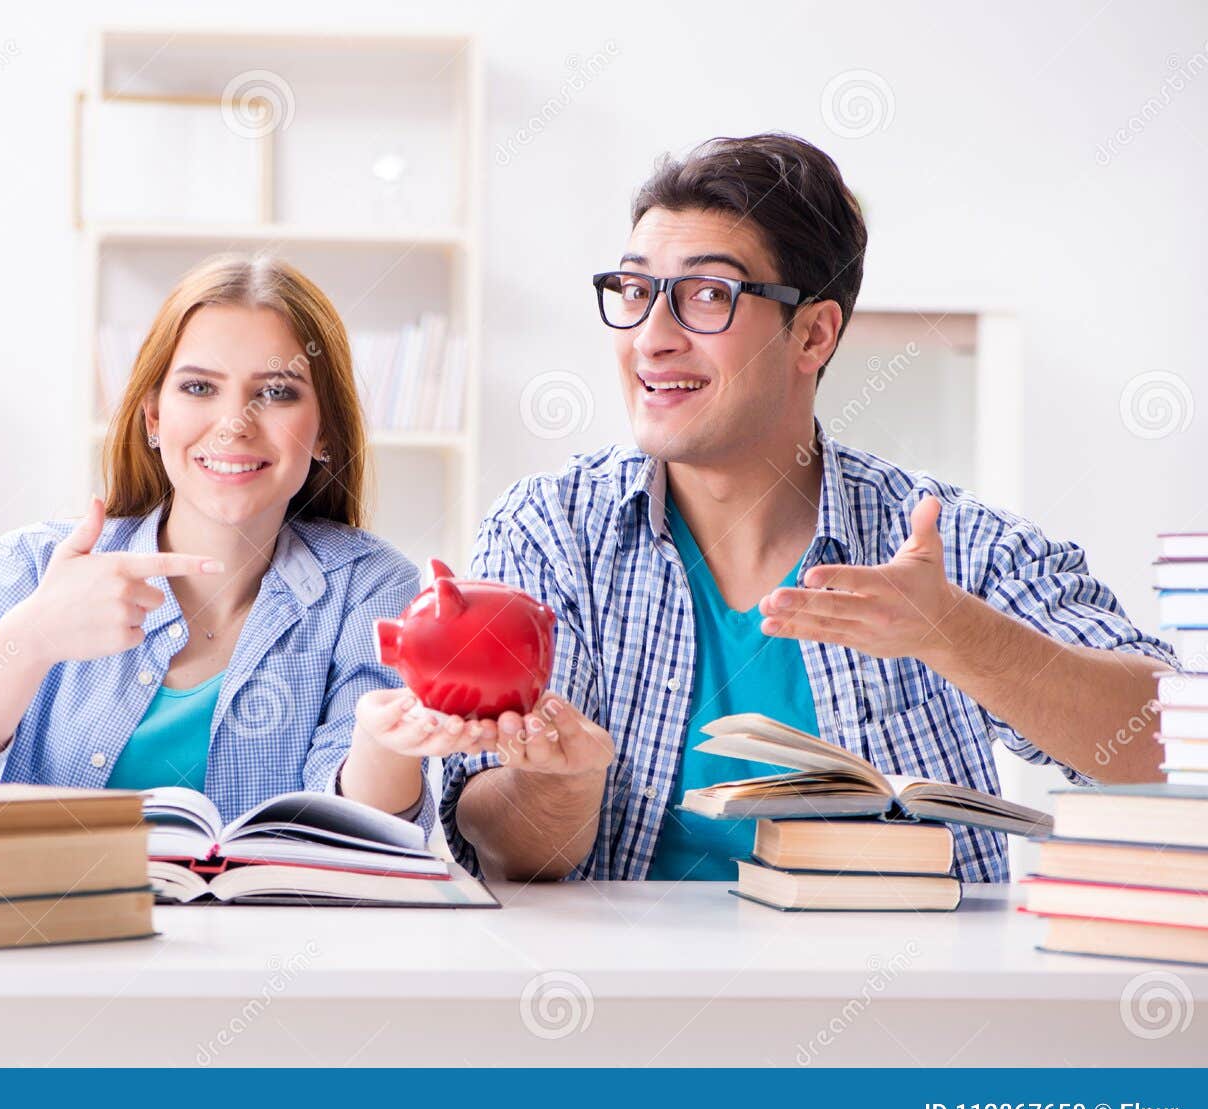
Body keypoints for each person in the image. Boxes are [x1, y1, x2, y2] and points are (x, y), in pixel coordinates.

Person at [441, 133, 1179, 882]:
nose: (651, 340)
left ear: (814, 334)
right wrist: (558, 788)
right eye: (635, 293)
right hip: (626, 998)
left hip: (903, 988)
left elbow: (1164, 750)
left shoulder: (944, 542)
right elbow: (509, 852)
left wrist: (955, 632)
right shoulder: (549, 532)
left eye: (707, 296)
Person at [0, 254, 493, 829]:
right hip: (46, 941)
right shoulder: (17, 572)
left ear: (325, 430)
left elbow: (365, 838)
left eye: (277, 392)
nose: (234, 423)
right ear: (153, 417)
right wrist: (28, 641)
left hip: (273, 944)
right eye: (199, 387)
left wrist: (385, 744)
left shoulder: (369, 588)